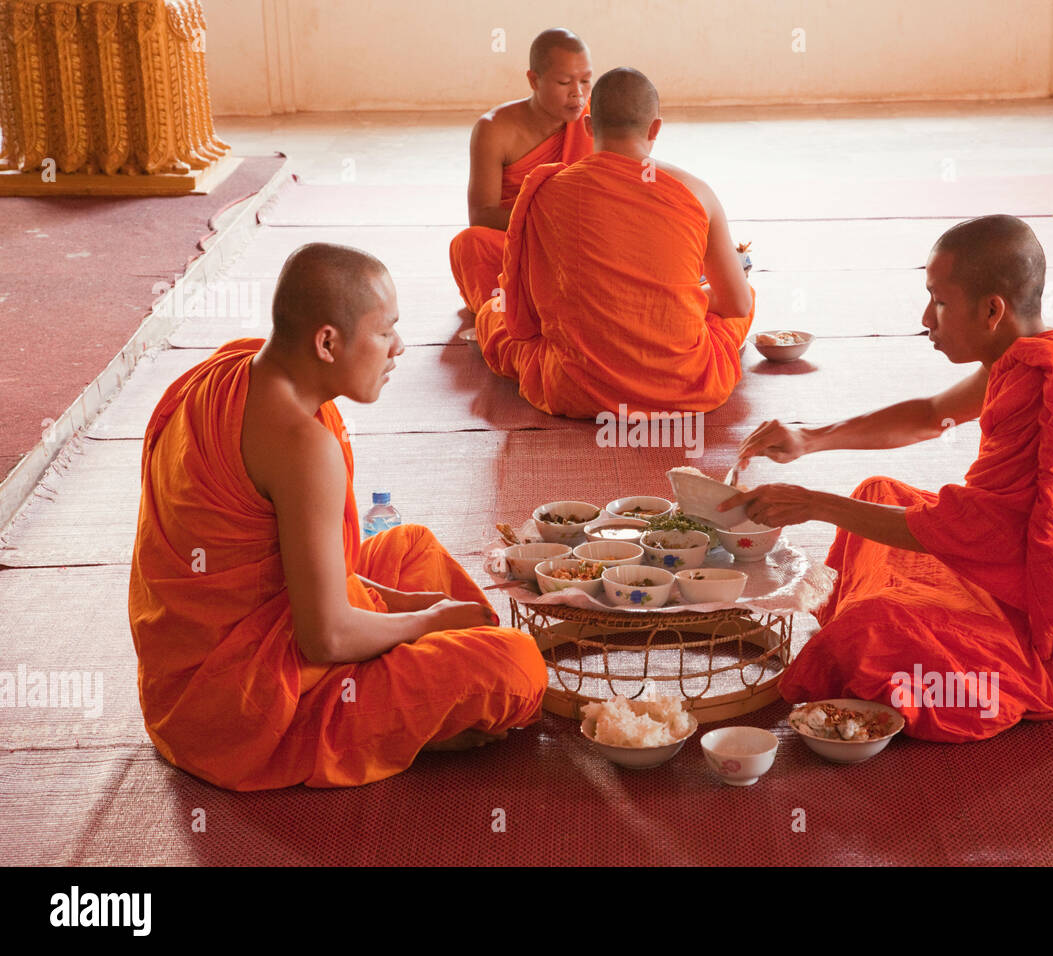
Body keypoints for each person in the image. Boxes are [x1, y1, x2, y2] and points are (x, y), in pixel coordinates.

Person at [721, 215, 1053, 742]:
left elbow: (988, 532)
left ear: (993, 309)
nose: (926, 317)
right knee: (877, 493)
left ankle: (889, 625)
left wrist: (815, 504)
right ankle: (891, 613)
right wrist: (811, 438)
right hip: (1017, 565)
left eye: (939, 301)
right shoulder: (1016, 358)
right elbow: (929, 414)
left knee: (867, 632)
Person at [128, 243, 548, 790]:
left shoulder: (228, 370)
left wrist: (403, 605)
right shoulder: (301, 445)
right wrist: (427, 622)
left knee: (410, 547)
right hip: (241, 708)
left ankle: (405, 689)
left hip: (191, 678)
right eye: (384, 331)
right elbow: (323, 639)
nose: (399, 348)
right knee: (514, 666)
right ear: (327, 341)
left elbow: (289, 568)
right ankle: (396, 723)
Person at [475, 67, 755, 418]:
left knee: (493, 314)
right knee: (746, 294)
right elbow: (738, 306)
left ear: (589, 126)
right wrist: (695, 300)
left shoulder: (547, 189)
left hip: (577, 387)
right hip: (684, 387)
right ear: (655, 129)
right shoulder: (697, 193)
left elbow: (529, 311)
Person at [448, 28, 594, 315]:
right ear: (534, 80)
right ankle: (508, 317)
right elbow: (481, 215)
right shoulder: (494, 129)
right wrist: (548, 218)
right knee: (470, 246)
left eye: (586, 81)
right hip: (521, 245)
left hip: (579, 245)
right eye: (565, 82)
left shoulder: (593, 120)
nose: (578, 93)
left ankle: (546, 308)